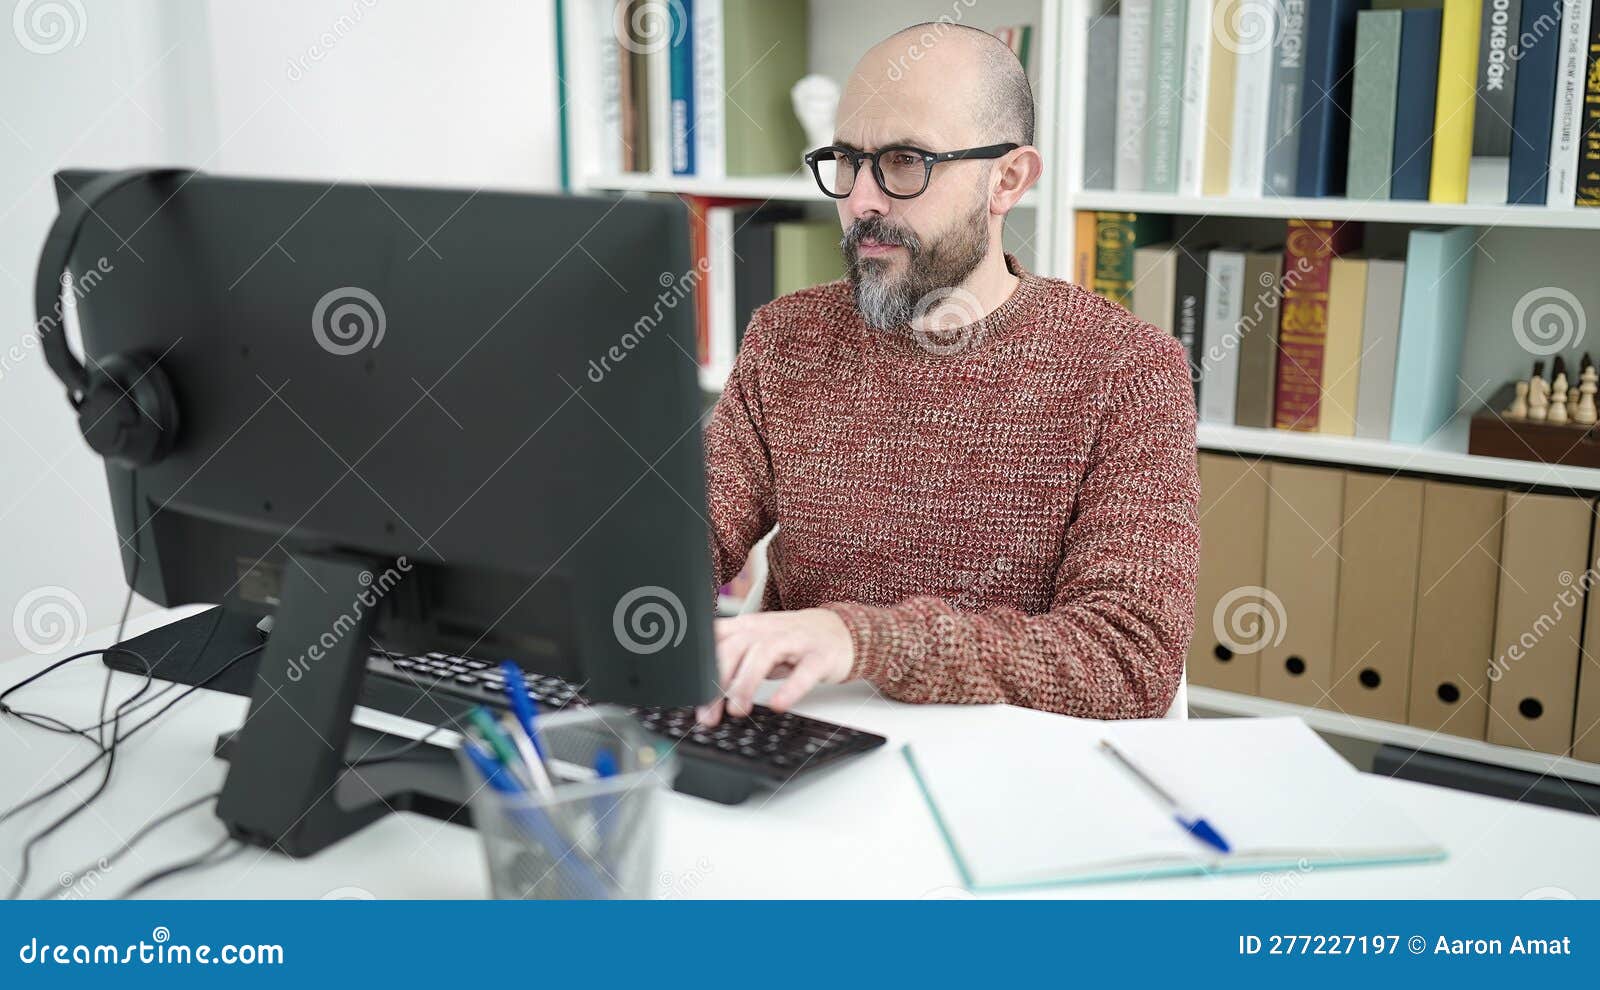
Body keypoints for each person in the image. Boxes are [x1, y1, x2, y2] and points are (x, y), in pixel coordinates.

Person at [698, 23, 1199, 726]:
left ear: (1008, 179)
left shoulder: (1128, 371)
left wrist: (863, 640)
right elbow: (686, 537)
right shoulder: (786, 337)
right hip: (803, 744)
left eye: (905, 161)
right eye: (847, 160)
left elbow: (1126, 661)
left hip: (1013, 786)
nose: (862, 200)